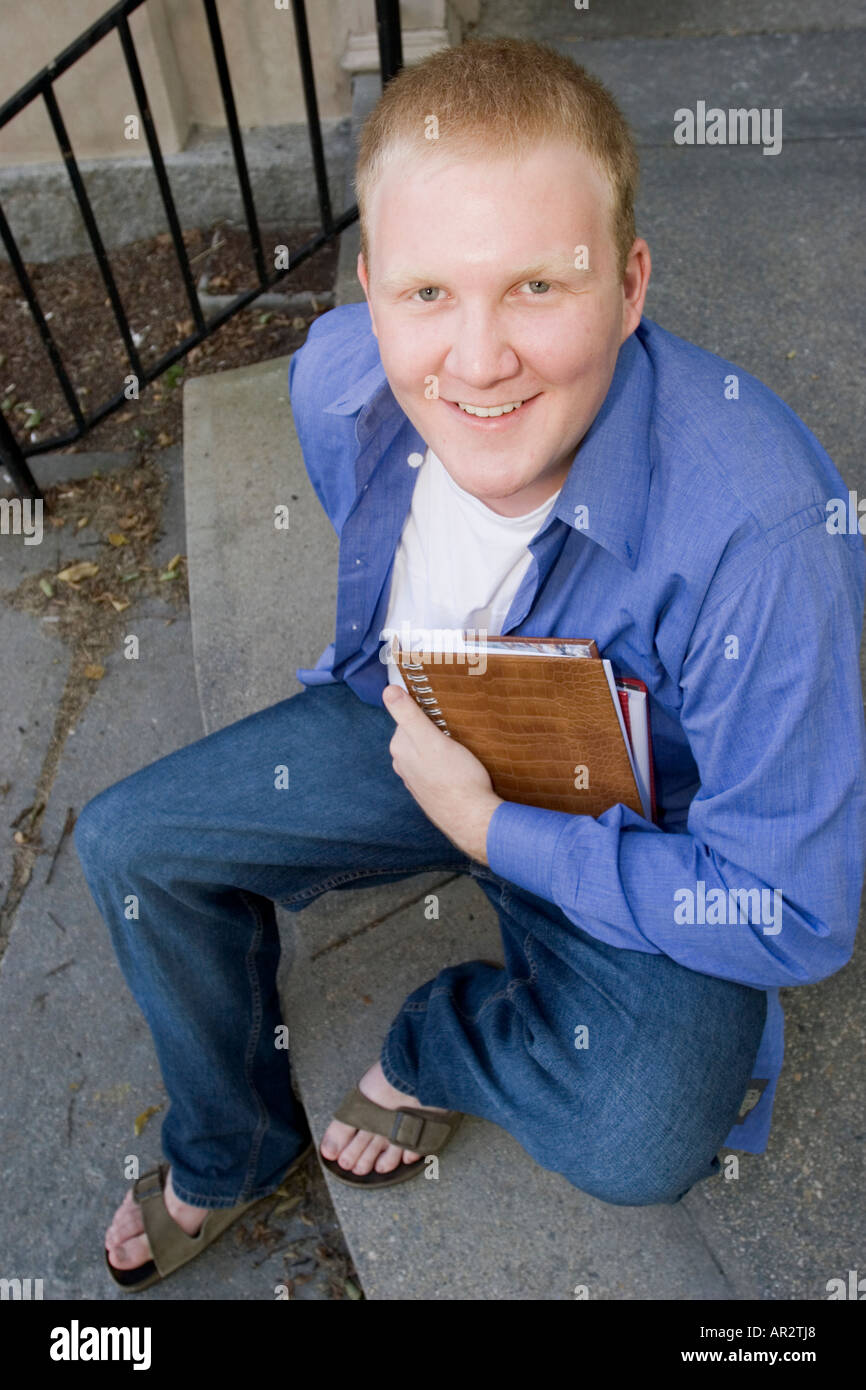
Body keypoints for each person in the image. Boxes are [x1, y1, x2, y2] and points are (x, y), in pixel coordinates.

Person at [75, 36, 866, 1291]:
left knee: (642, 1135)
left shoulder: (761, 543)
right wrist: (416, 740)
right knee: (128, 845)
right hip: (421, 725)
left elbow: (793, 910)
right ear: (377, 288)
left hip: (627, 827)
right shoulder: (342, 376)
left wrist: (495, 830)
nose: (478, 359)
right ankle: (231, 1145)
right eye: (429, 295)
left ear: (628, 282)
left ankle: (442, 1044)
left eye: (538, 288)